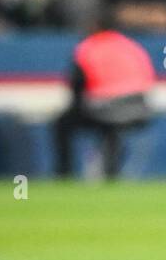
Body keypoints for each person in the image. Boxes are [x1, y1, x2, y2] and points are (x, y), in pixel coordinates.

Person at [53, 17, 155, 179]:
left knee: (62, 124)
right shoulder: (131, 46)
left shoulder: (88, 47)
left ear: (95, 27)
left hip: (104, 108)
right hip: (139, 108)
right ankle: (110, 171)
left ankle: (64, 173)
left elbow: (77, 84)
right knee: (111, 128)